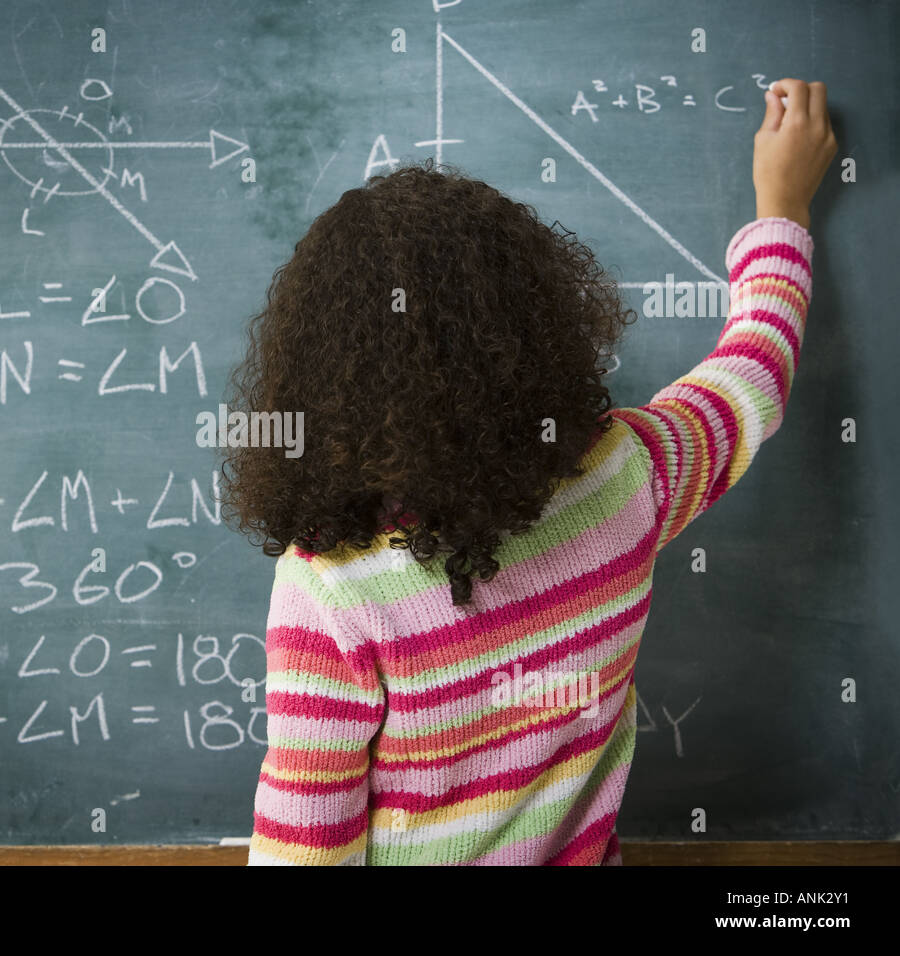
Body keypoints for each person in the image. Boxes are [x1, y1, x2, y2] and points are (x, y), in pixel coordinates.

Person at [221, 78, 837, 865]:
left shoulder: (334, 590)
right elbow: (753, 374)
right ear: (532, 323)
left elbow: (303, 851)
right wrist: (783, 207)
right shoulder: (625, 478)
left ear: (317, 370)